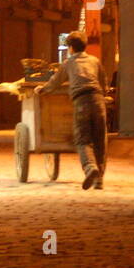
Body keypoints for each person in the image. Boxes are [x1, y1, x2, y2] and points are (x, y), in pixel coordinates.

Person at [38, 31, 107, 190]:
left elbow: (54, 82)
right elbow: (103, 83)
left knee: (83, 139)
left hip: (81, 101)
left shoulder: (69, 63)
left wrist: (42, 90)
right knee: (99, 141)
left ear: (70, 48)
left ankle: (90, 167)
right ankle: (99, 180)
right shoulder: (95, 61)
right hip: (98, 101)